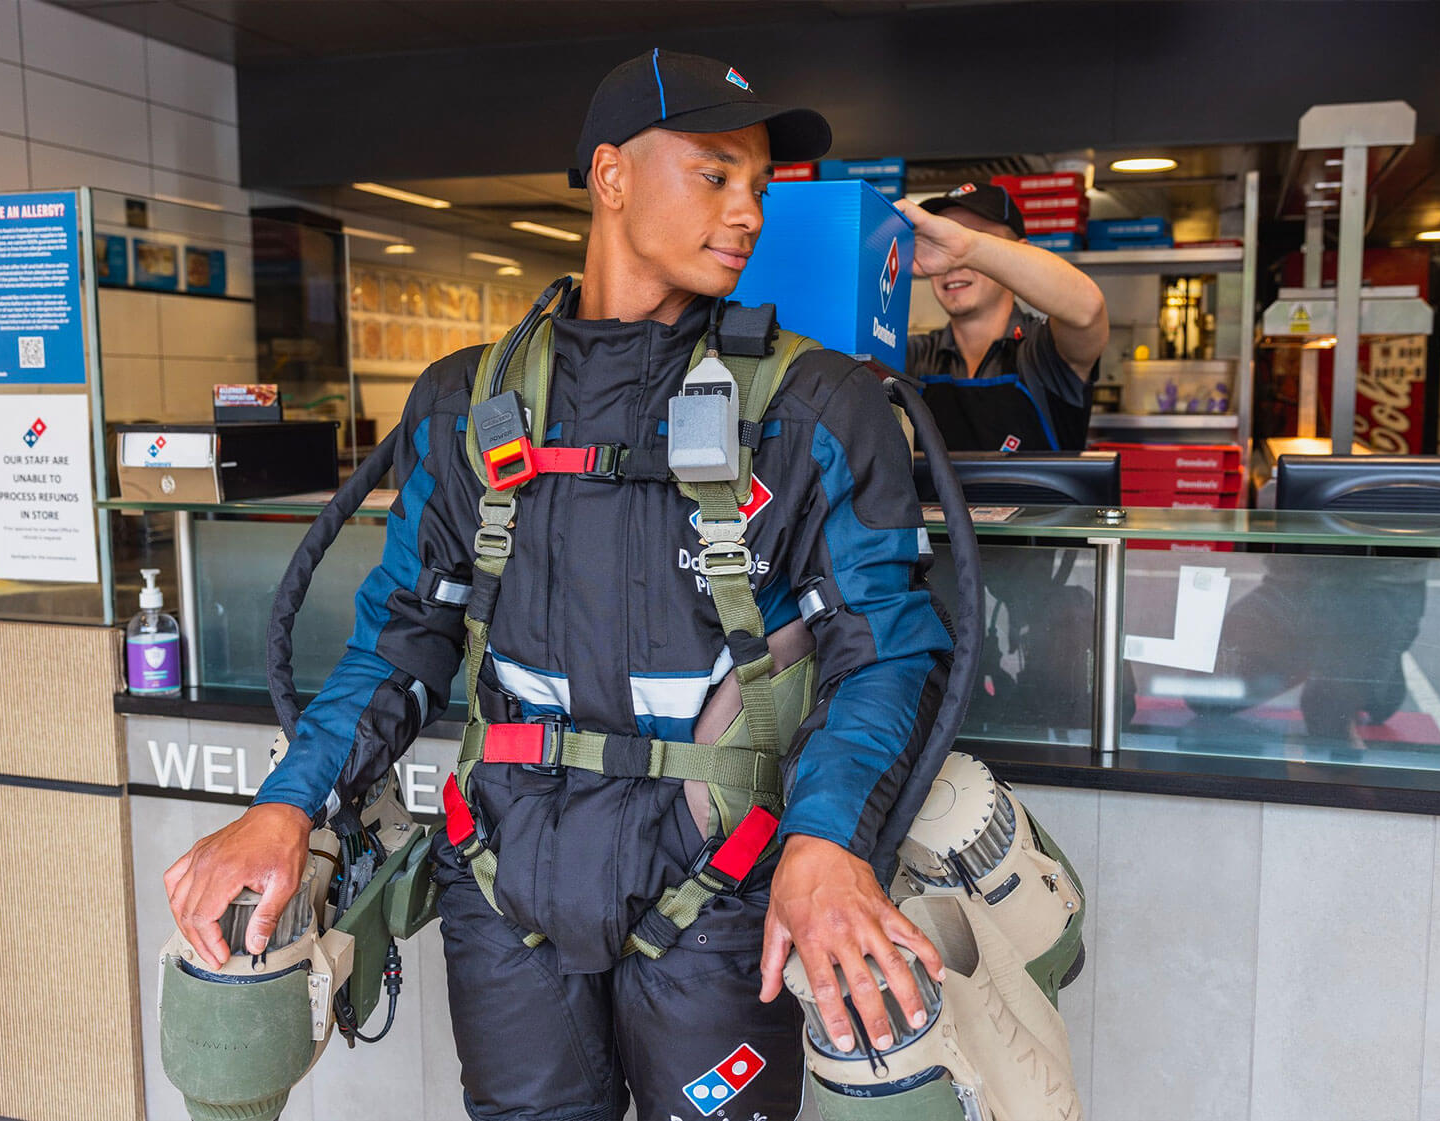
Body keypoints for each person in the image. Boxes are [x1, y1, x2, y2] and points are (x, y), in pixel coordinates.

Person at [162, 49, 954, 1121]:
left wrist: (825, 842)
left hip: (725, 891)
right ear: (611, 176)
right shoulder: (465, 406)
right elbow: (399, 640)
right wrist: (285, 802)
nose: (748, 212)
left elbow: (887, 650)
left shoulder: (817, 405)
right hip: (502, 887)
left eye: (760, 187)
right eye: (716, 175)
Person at [901, 182, 1109, 453]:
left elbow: (1088, 310)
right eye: (937, 242)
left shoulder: (1042, 352)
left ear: (1020, 251)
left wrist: (967, 248)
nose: (951, 261)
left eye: (975, 236)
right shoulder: (915, 356)